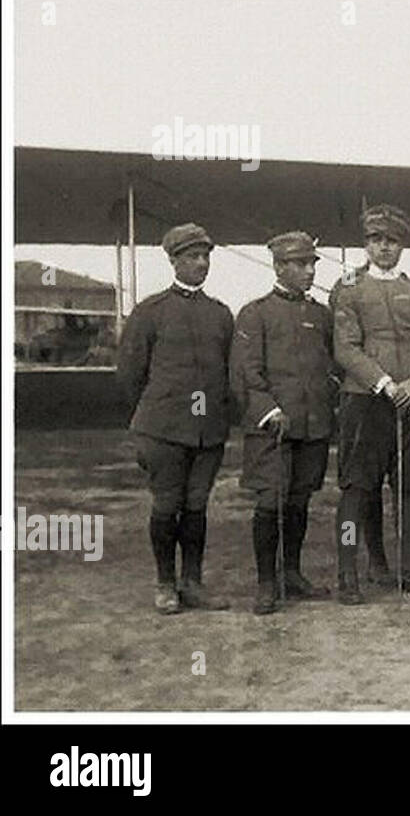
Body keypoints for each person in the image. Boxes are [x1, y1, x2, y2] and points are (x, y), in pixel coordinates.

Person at [332, 204, 410, 603]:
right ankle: (349, 571)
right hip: (365, 401)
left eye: (392, 241)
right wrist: (384, 383)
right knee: (356, 488)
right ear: (366, 244)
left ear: (403, 245)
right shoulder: (348, 288)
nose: (383, 248)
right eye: (375, 240)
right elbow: (345, 349)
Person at [117, 223, 233, 614]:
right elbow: (131, 374)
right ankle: (165, 584)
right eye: (191, 257)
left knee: (197, 506)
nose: (201, 264)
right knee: (167, 505)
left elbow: (228, 372)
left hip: (208, 432)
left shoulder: (220, 314)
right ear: (173, 262)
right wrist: (154, 416)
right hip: (163, 430)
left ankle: (193, 582)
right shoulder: (150, 312)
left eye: (205, 257)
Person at [231, 231, 338, 614]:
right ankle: (265, 582)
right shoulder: (255, 314)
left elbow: (332, 364)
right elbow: (246, 373)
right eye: (301, 264)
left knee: (299, 500)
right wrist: (268, 410)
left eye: (312, 264)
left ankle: (291, 573)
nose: (309, 271)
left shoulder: (320, 315)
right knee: (270, 501)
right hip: (271, 429)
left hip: (312, 425)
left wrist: (329, 397)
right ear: (279, 267)